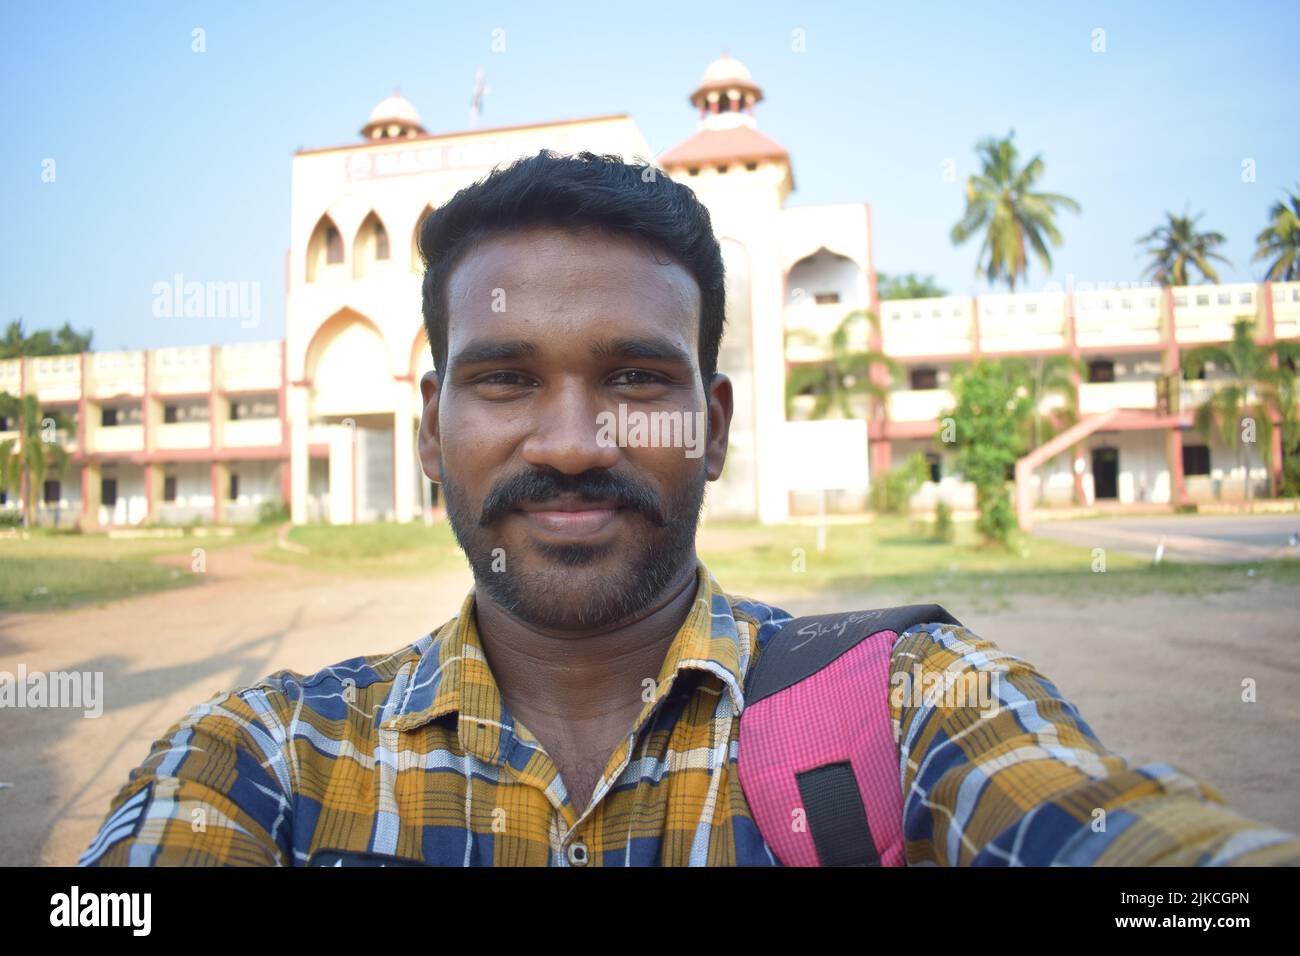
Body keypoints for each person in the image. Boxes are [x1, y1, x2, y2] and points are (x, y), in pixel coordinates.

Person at [80, 150, 1299, 866]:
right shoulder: (269, 758)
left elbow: (1122, 838)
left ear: (713, 425)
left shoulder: (899, 702)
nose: (570, 442)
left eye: (634, 377)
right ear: (428, 431)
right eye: (504, 376)